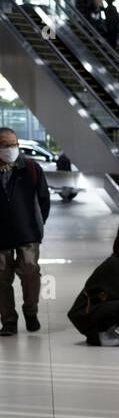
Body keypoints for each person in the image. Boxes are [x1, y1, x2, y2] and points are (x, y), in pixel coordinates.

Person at [0, 128, 51, 335]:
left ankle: (31, 312)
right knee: (1, 279)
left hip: (27, 233)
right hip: (0, 235)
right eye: (5, 145)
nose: (10, 149)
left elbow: (44, 199)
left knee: (30, 272)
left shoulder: (30, 167)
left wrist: (37, 225)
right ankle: (9, 321)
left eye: (13, 144)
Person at [66, 225, 119, 346]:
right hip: (85, 313)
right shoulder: (114, 264)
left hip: (100, 306)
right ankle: (101, 334)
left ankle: (109, 330)